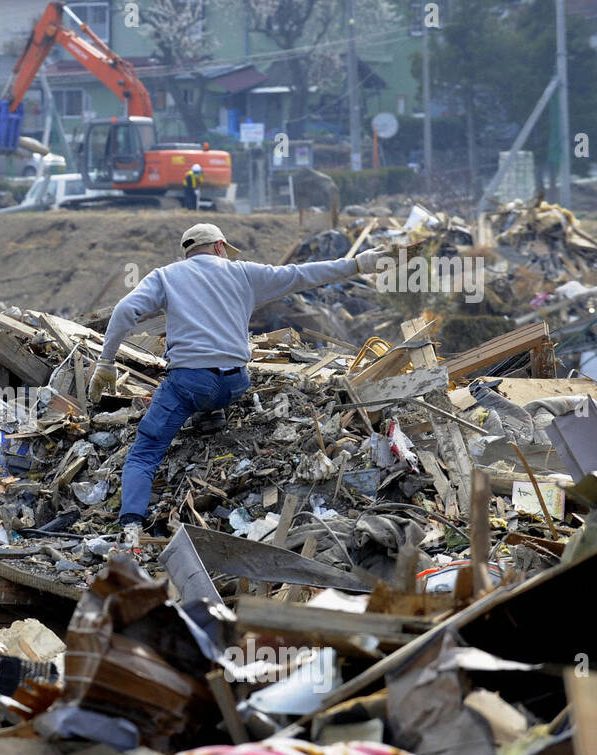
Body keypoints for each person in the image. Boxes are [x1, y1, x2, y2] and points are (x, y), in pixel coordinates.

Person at [89, 222, 385, 547]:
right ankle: (211, 416)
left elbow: (124, 310)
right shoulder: (243, 273)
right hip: (234, 383)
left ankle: (131, 529)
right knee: (207, 393)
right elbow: (302, 274)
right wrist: (358, 264)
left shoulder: (166, 276)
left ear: (189, 252)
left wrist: (105, 362)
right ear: (219, 246)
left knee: (145, 453)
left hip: (191, 384)